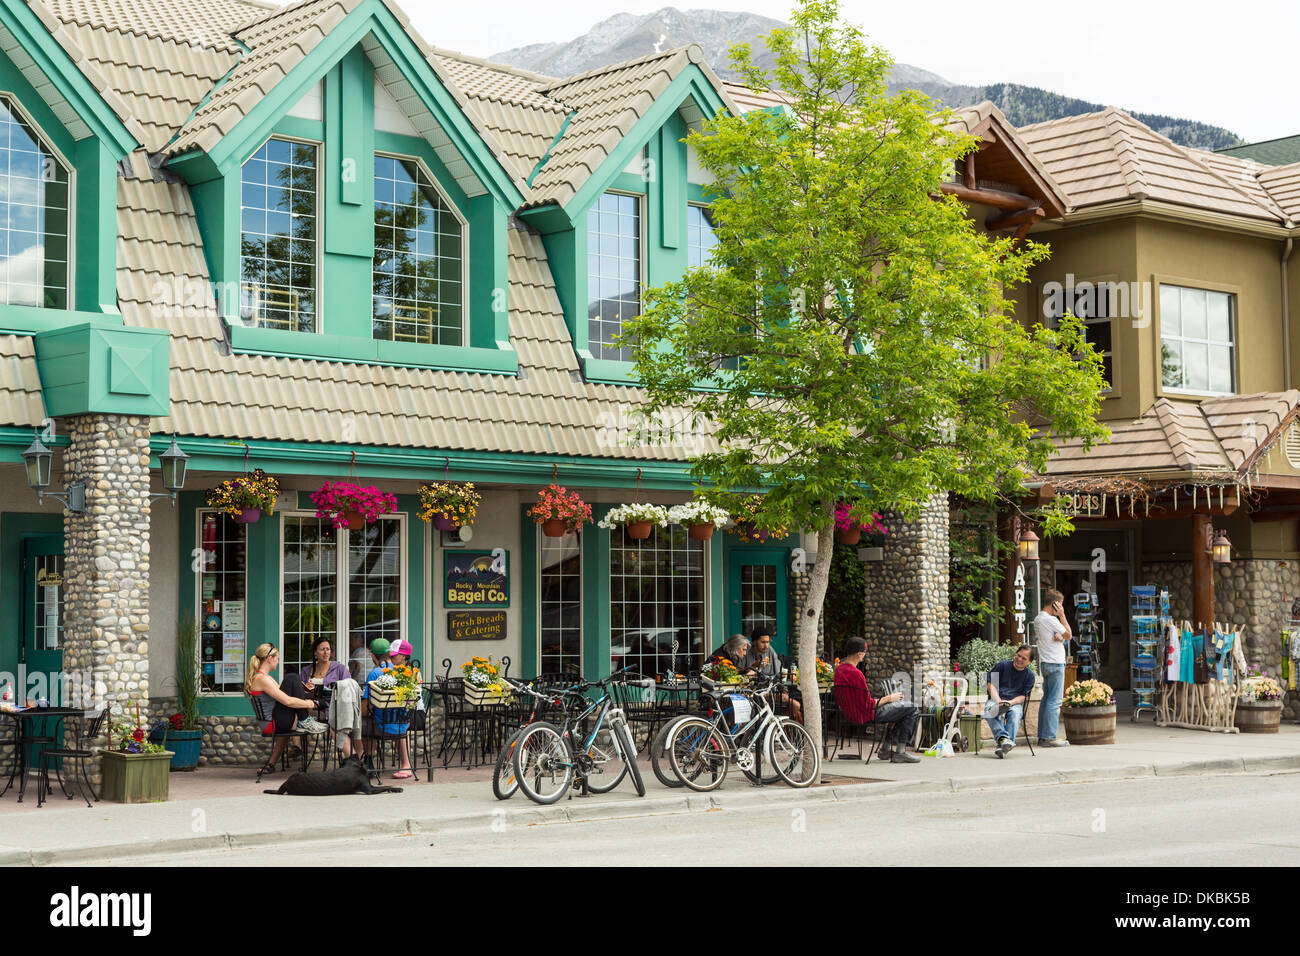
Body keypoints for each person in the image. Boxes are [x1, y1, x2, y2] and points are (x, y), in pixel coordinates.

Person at [832, 636, 920, 763]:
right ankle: (900, 752)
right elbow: (870, 704)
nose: (864, 656)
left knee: (901, 710)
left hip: (850, 714)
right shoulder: (856, 674)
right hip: (865, 715)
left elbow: (860, 700)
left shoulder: (840, 669)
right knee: (911, 708)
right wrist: (890, 698)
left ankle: (885, 749)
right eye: (864, 653)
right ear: (859, 653)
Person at [245, 643, 326, 775]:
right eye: (277, 658)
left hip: (276, 721)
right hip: (272, 724)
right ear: (269, 659)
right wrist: (308, 704)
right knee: (292, 677)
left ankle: (272, 763)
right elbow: (287, 700)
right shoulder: (261, 679)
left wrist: (304, 690)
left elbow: (288, 697)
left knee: (294, 681)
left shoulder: (266, 678)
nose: (278, 661)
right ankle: (305, 721)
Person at [361, 638, 414, 780]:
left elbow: (366, 708)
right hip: (402, 724)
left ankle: (368, 762)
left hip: (382, 726)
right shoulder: (403, 672)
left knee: (362, 723)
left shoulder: (375, 673)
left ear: (372, 656)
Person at [1034, 589, 1072, 747]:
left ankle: (1042, 736)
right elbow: (1069, 634)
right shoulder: (1051, 620)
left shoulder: (1038, 619)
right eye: (1060, 605)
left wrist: (1060, 637)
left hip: (1045, 662)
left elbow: (1058, 638)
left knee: (1046, 700)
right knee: (1054, 702)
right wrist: (1062, 615)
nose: (1061, 608)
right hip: (1056, 663)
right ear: (1055, 604)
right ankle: (1049, 737)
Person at [742, 625, 802, 723]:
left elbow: (779, 670)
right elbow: (740, 672)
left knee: (795, 706)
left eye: (768, 642)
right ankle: (776, 727)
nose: (766, 645)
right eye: (763, 642)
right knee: (795, 705)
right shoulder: (746, 652)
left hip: (771, 690)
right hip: (754, 692)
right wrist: (755, 666)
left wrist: (789, 677)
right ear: (755, 641)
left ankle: (777, 727)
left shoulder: (769, 650)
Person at [985, 644, 1036, 758]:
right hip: (996, 699)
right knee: (989, 711)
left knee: (1015, 713)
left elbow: (1023, 696)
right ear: (1016, 654)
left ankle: (1003, 744)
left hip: (1014, 703)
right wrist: (998, 701)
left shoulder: (1030, 676)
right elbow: (991, 685)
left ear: (1029, 662)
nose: (1019, 659)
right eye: (1018, 655)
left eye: (1024, 658)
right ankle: (1004, 740)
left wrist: (1011, 703)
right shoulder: (1002, 665)